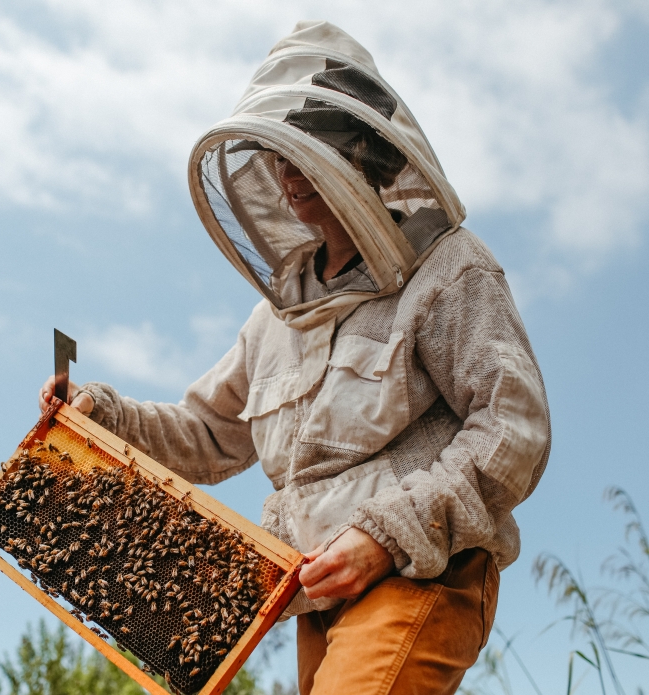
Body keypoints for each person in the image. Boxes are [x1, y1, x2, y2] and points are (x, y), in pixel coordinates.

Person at [39, 20, 550, 695]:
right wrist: (99, 414)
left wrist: (385, 535)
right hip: (312, 590)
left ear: (365, 156)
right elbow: (208, 433)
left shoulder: (447, 270)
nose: (286, 171)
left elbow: (512, 429)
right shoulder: (276, 316)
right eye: (279, 153)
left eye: (309, 151)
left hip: (421, 571)